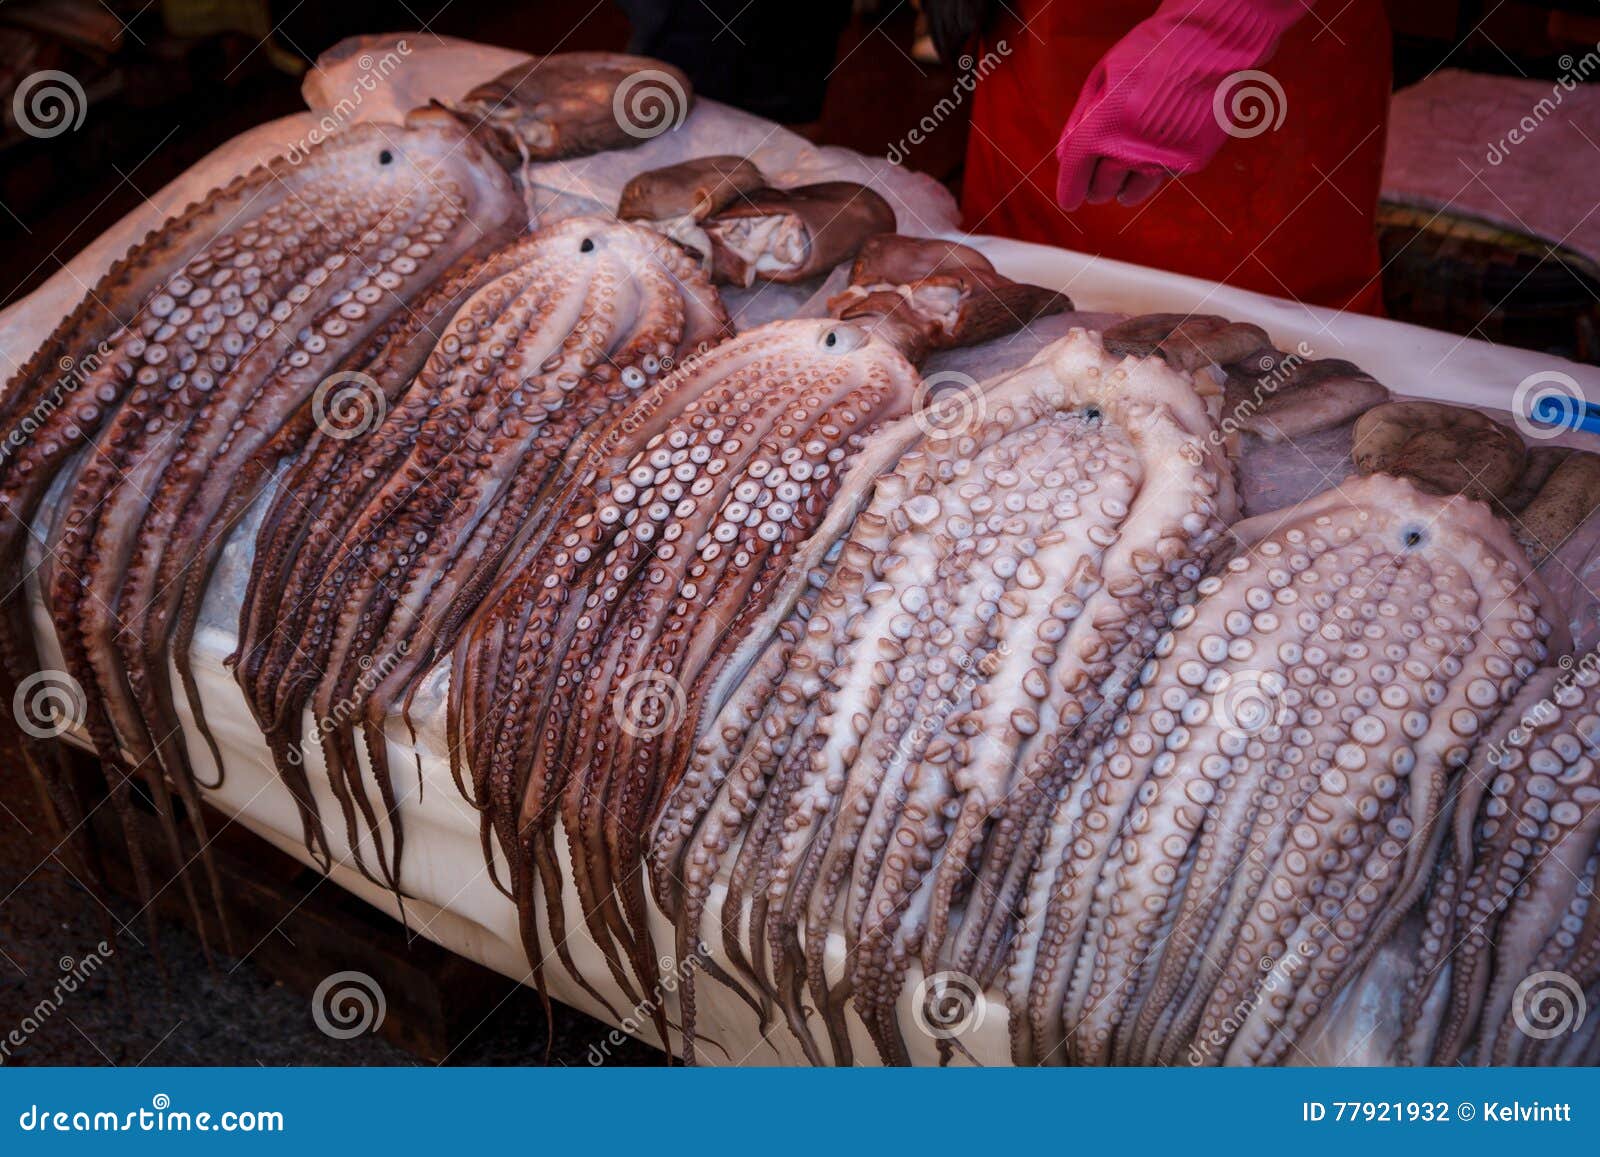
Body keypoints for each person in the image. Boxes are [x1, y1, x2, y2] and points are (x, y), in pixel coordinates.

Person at [940, 0, 1392, 314]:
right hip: (1043, 42)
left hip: (1269, 65)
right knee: (1009, 314)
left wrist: (1217, 32)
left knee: (1275, 365)